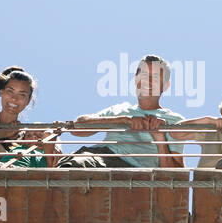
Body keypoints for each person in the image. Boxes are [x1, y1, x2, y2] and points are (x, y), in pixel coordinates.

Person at [57, 54, 185, 168]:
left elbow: (176, 174)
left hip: (136, 171)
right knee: (69, 167)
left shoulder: (173, 120)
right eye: (144, 75)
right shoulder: (120, 109)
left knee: (75, 167)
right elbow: (76, 128)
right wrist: (123, 120)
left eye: (155, 77)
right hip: (97, 159)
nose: (148, 81)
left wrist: (160, 138)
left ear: (166, 85)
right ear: (136, 79)